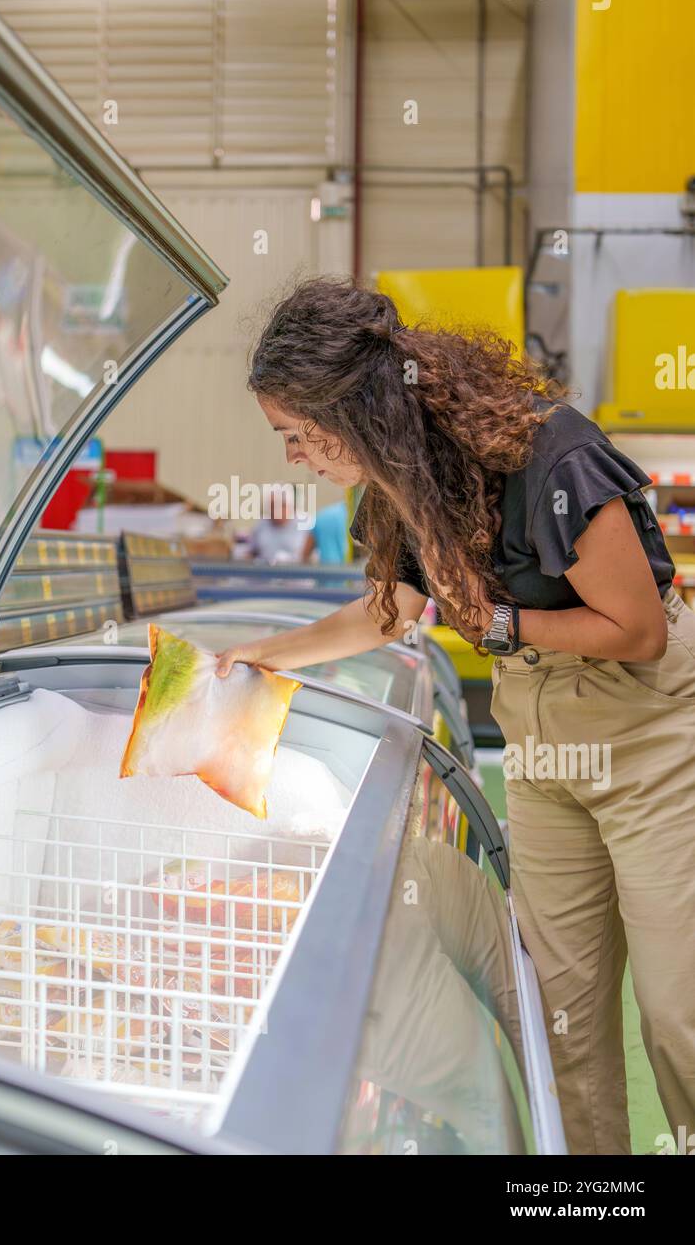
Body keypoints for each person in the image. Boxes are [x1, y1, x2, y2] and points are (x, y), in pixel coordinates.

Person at [215, 276, 695, 1156]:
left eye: (295, 434)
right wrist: (263, 656)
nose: (293, 457)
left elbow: (639, 631)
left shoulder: (550, 455)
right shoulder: (402, 485)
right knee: (563, 1011)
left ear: (349, 410)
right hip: (543, 748)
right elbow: (387, 614)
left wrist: (502, 624)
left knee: (677, 1009)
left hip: (651, 736)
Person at [301, 497, 350, 564]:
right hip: (350, 568)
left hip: (326, 568)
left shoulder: (322, 516)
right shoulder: (353, 516)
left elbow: (305, 555)